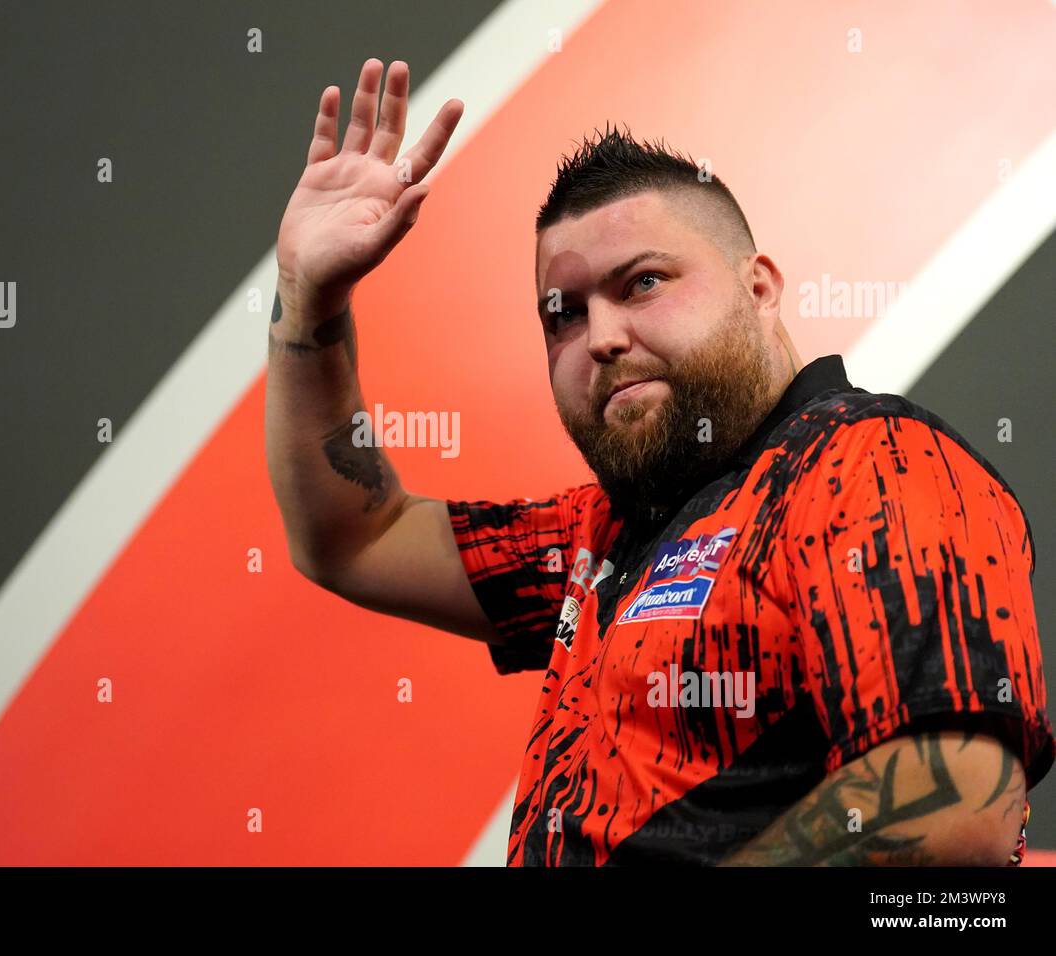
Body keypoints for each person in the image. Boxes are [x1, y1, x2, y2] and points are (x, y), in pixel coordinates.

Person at [265, 57, 1054, 865]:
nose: (600, 337)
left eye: (642, 283)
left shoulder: (869, 464)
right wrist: (307, 296)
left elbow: (955, 814)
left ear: (761, 288)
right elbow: (355, 536)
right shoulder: (600, 535)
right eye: (562, 315)